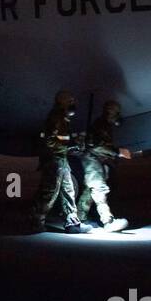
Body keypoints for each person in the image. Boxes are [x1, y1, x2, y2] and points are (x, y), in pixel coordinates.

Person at [29, 91, 86, 234]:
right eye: (70, 100)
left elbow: (62, 139)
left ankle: (72, 223)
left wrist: (72, 145)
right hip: (54, 160)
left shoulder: (64, 119)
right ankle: (36, 221)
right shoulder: (55, 117)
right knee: (50, 191)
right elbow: (49, 140)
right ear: (61, 101)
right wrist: (68, 145)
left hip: (62, 159)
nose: (73, 103)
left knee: (69, 190)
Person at [76, 100, 131, 232]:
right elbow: (97, 146)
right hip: (92, 159)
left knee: (90, 190)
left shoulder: (104, 125)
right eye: (115, 112)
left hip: (96, 160)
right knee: (99, 189)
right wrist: (118, 152)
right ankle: (108, 221)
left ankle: (79, 218)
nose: (117, 115)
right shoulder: (101, 125)